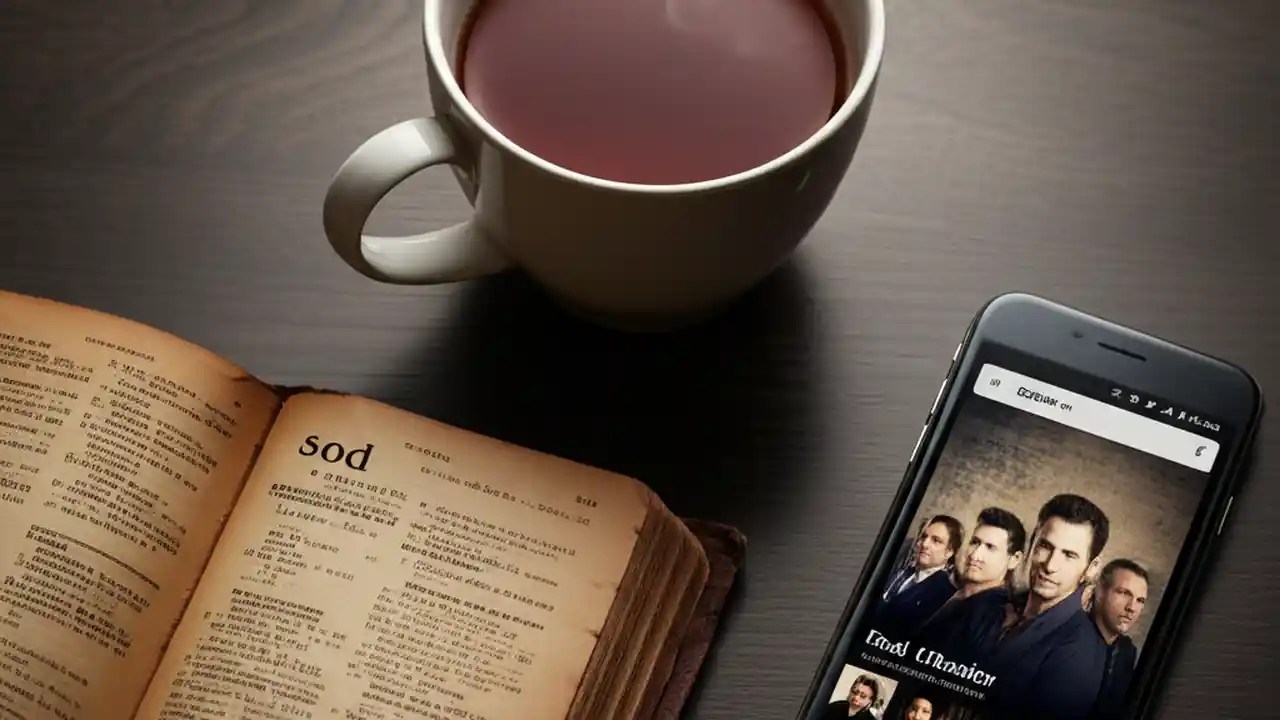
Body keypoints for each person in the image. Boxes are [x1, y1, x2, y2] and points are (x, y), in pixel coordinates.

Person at [976, 494, 1113, 720]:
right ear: (1032, 544)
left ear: (1092, 567)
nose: (1050, 565)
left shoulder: (1079, 650)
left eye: (1069, 555)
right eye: (1046, 546)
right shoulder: (999, 605)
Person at [913, 507, 1026, 660]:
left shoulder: (994, 615)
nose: (975, 554)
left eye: (990, 547)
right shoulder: (954, 593)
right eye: (975, 542)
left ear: (1014, 559)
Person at [872, 515, 962, 639]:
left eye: (936, 540)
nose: (925, 544)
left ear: (949, 552)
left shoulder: (945, 594)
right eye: (924, 537)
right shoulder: (904, 572)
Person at [1088, 559, 1149, 719]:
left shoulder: (1127, 652)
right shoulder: (1070, 639)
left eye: (1140, 600)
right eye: (1124, 593)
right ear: (1100, 591)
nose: (1132, 608)